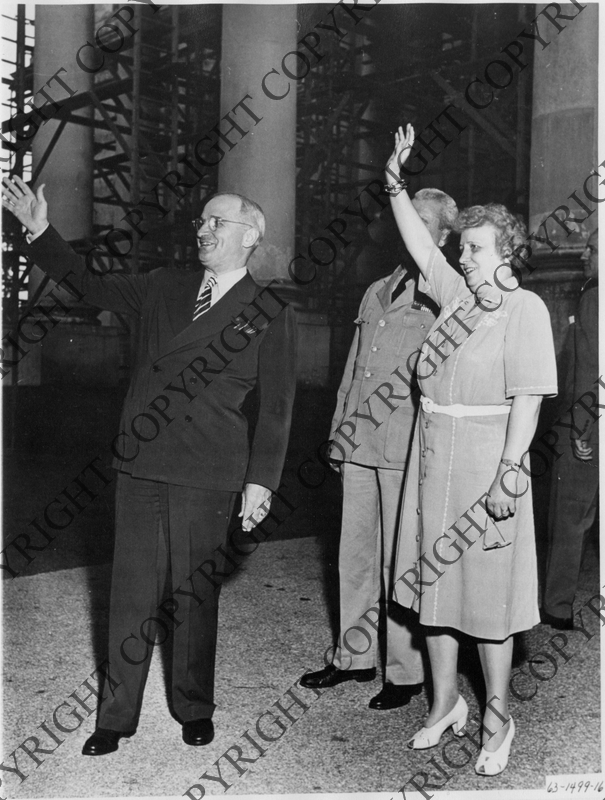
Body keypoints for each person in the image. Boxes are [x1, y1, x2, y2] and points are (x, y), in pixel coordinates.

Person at [1, 177, 297, 755]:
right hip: (142, 458)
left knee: (193, 592)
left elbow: (279, 405)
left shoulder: (269, 310)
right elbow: (88, 283)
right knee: (131, 591)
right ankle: (115, 715)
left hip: (209, 466)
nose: (204, 231)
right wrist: (38, 231)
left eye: (218, 223)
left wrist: (261, 481)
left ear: (250, 237)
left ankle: (192, 704)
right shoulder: (164, 285)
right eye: (202, 222)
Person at [385, 125, 557, 776]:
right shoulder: (453, 296)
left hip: (490, 464)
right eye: (461, 249)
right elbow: (415, 240)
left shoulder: (525, 311)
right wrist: (394, 182)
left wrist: (507, 478)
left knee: (486, 603)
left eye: (477, 249)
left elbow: (529, 402)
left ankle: (497, 716)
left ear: (506, 251)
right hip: (432, 463)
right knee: (434, 594)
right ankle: (442, 704)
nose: (464, 259)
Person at [300, 189, 458, 710]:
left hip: (406, 445)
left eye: (417, 221)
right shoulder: (377, 289)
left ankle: (405, 671)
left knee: (400, 561)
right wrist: (338, 431)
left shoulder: (445, 295)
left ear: (441, 236)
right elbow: (353, 368)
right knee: (355, 555)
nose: (403, 227)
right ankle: (353, 657)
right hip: (361, 442)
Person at [542, 229, 599, 629]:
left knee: (570, 517)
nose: (584, 254)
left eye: (593, 249)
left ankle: (557, 606)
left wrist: (583, 429)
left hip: (587, 425)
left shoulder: (595, 296)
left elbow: (591, 370)